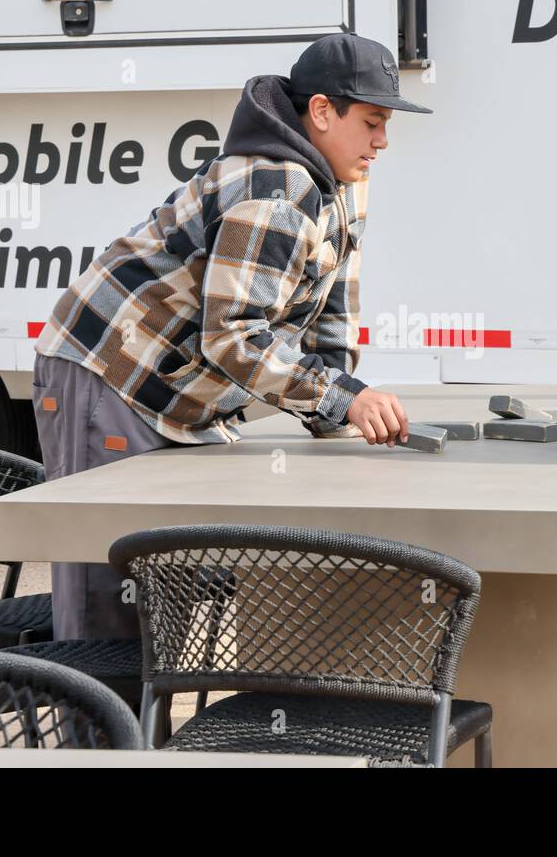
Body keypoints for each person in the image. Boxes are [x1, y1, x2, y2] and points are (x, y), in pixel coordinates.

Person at [31, 33, 428, 640]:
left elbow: (330, 312)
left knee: (163, 597)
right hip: (107, 374)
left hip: (168, 391)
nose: (383, 141)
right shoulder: (275, 192)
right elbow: (234, 338)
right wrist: (342, 398)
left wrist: (336, 407)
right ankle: (85, 729)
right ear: (322, 112)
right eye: (373, 121)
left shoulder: (343, 186)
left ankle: (136, 728)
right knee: (107, 614)